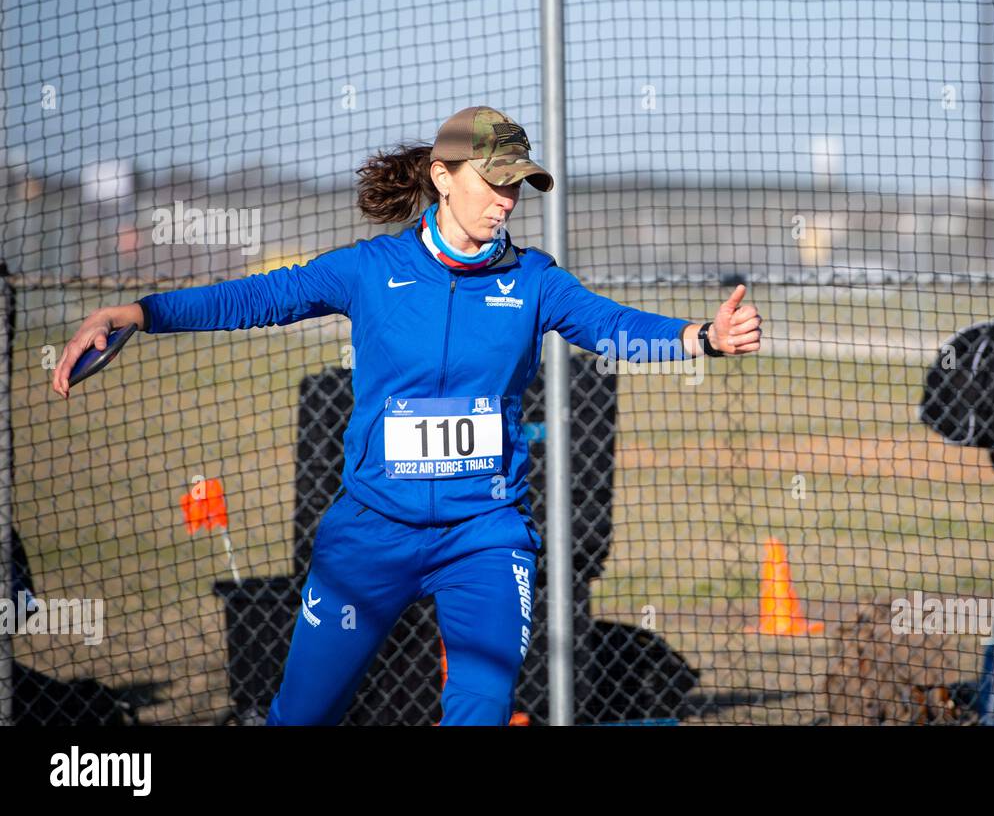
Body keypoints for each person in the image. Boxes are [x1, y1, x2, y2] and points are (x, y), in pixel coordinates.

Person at [51, 105, 763, 725]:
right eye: (494, 181)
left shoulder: (534, 280)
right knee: (303, 713)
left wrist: (699, 336)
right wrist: (139, 313)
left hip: (484, 538)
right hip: (369, 536)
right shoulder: (370, 269)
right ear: (442, 175)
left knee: (482, 706)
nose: (508, 201)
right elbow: (255, 298)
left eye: (517, 184)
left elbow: (610, 326)